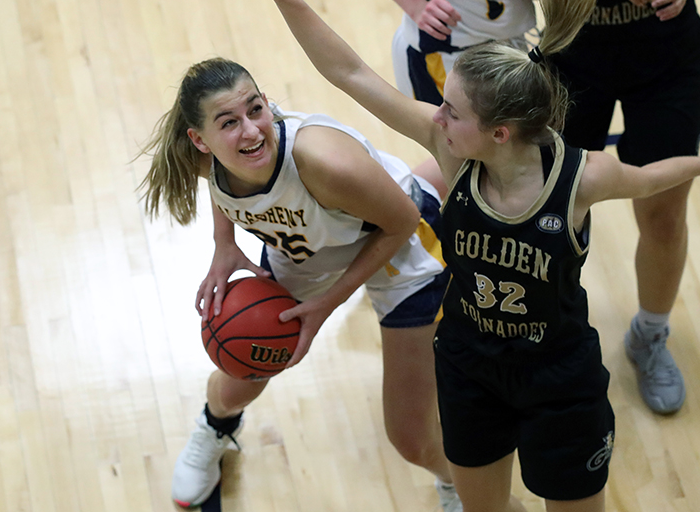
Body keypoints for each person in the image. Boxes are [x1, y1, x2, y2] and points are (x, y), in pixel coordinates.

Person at [244, 0, 700, 510]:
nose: (436, 118)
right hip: (470, 365)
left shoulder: (581, 176)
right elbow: (351, 74)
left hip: (559, 376)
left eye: (451, 110)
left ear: (498, 133)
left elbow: (651, 178)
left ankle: (647, 339)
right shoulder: (454, 155)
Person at [139, 58, 463, 509]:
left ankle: (452, 482)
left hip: (396, 242)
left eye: (256, 110)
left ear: (269, 103)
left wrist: (329, 303)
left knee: (410, 437)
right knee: (240, 376)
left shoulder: (322, 161)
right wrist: (223, 243)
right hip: (310, 248)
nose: (251, 131)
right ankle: (217, 427)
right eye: (229, 123)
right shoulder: (201, 159)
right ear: (201, 141)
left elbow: (402, 222)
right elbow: (222, 183)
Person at [549, 0, 700, 415]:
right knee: (554, 209)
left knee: (664, 214)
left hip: (667, 58)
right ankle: (547, 333)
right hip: (573, 48)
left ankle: (650, 334)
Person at [359, 0, 540, 197]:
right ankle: (391, 210)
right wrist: (414, 4)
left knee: (502, 156)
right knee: (467, 160)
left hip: (506, 43)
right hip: (444, 53)